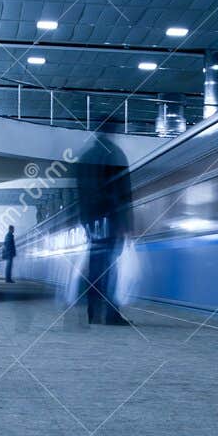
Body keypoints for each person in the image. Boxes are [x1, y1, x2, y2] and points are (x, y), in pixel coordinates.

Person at [74, 126, 133, 326]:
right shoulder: (115, 154)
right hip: (111, 217)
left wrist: (85, 220)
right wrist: (126, 223)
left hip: (91, 220)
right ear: (111, 132)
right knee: (111, 266)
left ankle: (93, 312)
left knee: (95, 266)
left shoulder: (86, 157)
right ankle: (111, 313)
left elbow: (80, 192)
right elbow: (123, 190)